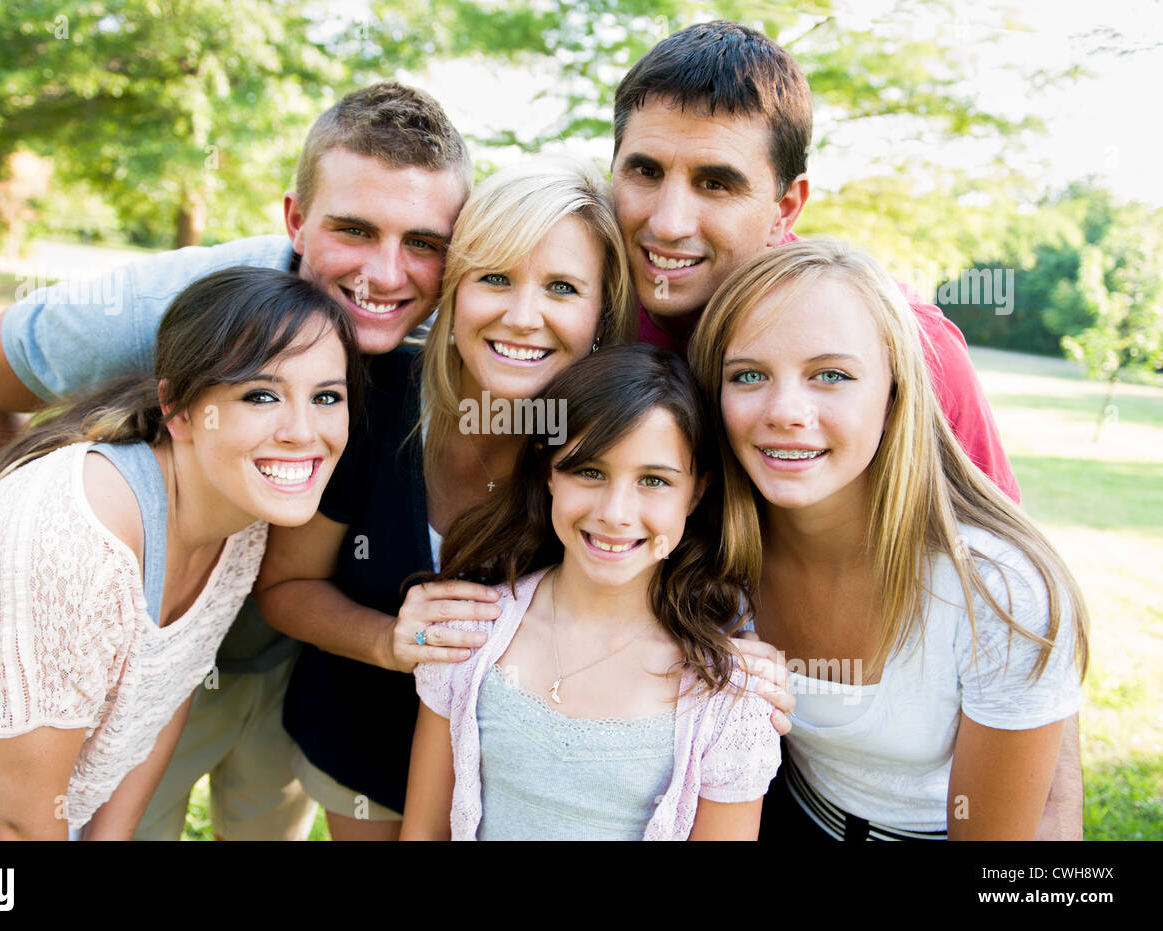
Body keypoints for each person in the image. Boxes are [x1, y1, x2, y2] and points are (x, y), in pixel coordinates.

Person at [0, 82, 471, 840]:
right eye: (353, 230)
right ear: (294, 219)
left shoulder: (462, 320)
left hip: (295, 652)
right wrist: (38, 547)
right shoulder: (171, 309)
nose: (386, 274)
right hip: (141, 660)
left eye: (423, 242)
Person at [610, 21, 1084, 835]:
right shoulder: (604, 321)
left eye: (717, 182)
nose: (669, 221)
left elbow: (1019, 629)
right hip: (759, 766)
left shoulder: (910, 345)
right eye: (645, 171)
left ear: (787, 202)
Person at [0, 268, 359, 840]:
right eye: (260, 395)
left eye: (327, 397)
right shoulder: (72, 548)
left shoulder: (240, 510)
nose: (303, 430)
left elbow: (158, 696)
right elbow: (14, 826)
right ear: (178, 409)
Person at [255, 155, 636, 839]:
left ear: (602, 312)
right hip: (358, 749)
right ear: (453, 292)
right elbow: (285, 584)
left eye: (561, 288)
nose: (523, 316)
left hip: (514, 786)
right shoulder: (373, 399)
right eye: (495, 278)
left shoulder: (609, 454)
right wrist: (386, 640)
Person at [687, 239, 1088, 839]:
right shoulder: (709, 546)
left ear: (895, 394)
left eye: (831, 375)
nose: (785, 411)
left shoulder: (997, 592)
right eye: (748, 375)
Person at [401, 344, 780, 840]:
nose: (616, 512)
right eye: (590, 471)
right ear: (548, 471)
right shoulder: (470, 630)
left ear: (697, 492)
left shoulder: (726, 696)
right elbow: (423, 832)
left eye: (653, 480)